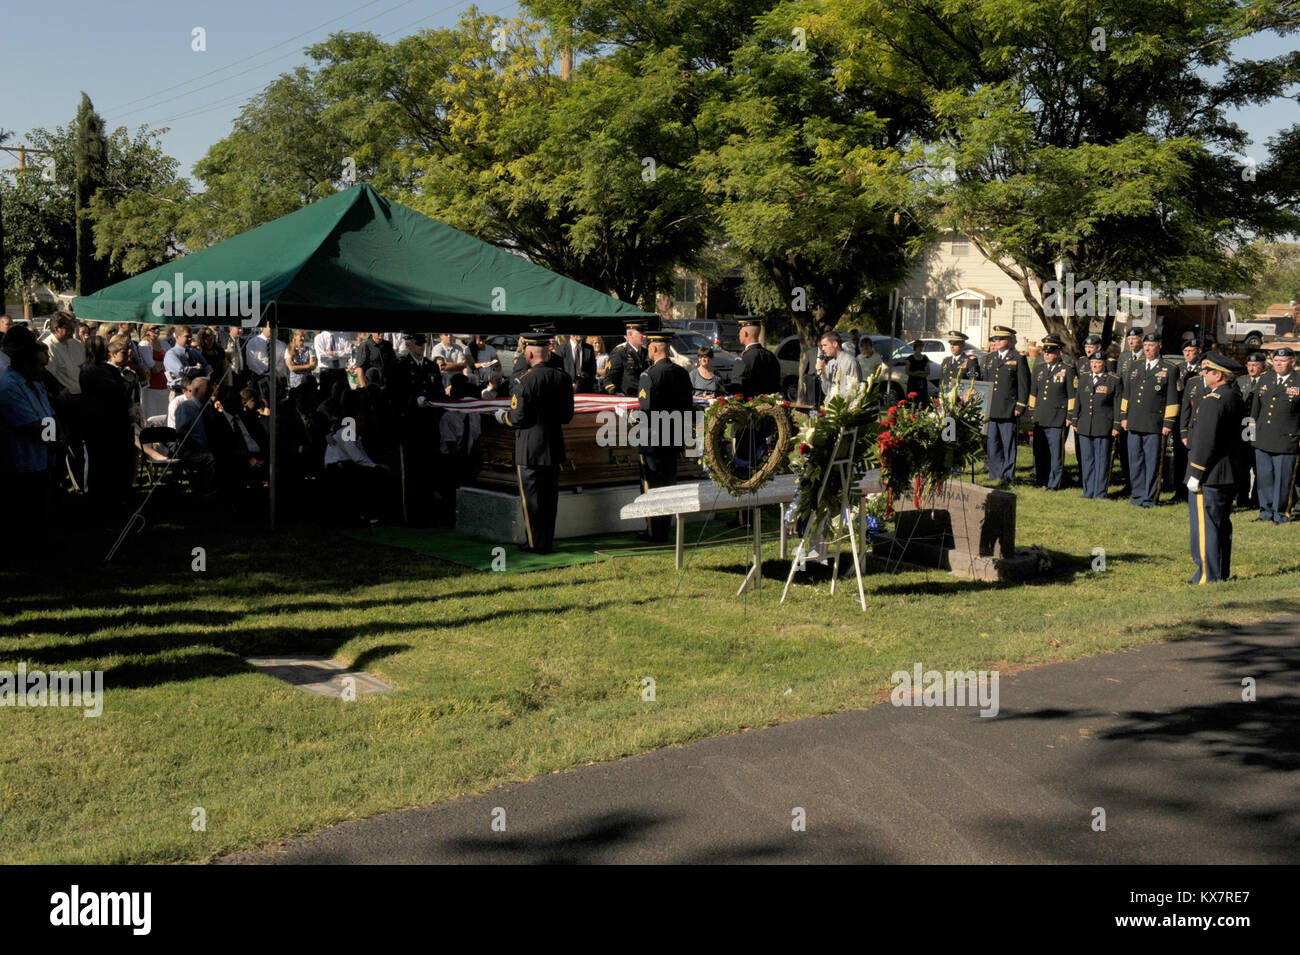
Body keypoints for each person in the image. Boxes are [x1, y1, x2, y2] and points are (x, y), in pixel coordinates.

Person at [493, 332, 575, 553]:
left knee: (532, 500)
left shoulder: (524, 380)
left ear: (529, 353)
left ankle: (534, 542)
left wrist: (502, 417)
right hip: (553, 446)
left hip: (529, 447)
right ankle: (546, 541)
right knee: (550, 498)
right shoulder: (563, 378)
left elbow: (518, 417)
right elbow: (567, 415)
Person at [1186, 353, 1245, 583]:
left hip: (1209, 474)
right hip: (1228, 472)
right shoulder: (1234, 397)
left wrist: (1196, 472)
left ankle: (1207, 575)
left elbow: (1204, 440)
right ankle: (1220, 573)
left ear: (1218, 375)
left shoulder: (1214, 399)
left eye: (1207, 371)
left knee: (1205, 528)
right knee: (1220, 525)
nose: (1203, 374)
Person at [637, 332, 695, 542]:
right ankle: (665, 529)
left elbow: (645, 411)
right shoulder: (681, 373)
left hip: (652, 440)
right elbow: (688, 407)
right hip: (673, 438)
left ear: (654, 349)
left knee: (652, 487)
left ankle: (654, 531)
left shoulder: (649, 375)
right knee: (668, 485)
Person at [0, 340, 59, 538]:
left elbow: (48, 415)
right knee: (26, 511)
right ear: (25, 364)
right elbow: (31, 424)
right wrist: (54, 440)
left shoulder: (34, 383)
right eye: (40, 364)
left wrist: (55, 435)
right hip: (23, 460)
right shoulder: (8, 387)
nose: (44, 369)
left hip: (42, 458)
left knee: (42, 507)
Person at [1120, 332, 1180, 508]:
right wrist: (1124, 416)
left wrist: (1168, 422)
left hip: (1155, 424)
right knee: (1135, 461)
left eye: (1151, 345)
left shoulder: (1169, 369)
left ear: (1159, 346)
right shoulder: (1136, 366)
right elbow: (1127, 394)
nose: (1147, 348)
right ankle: (1137, 495)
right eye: (1145, 345)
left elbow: (1172, 398)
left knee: (1153, 462)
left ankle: (1149, 497)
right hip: (1134, 421)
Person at [79, 335, 138, 505]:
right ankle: (100, 499)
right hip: (100, 424)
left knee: (119, 462)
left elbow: (124, 387)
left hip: (118, 421)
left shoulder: (109, 369)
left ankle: (119, 495)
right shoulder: (88, 370)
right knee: (101, 464)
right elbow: (114, 390)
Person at [1250, 346, 1300, 524]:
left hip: (1287, 439)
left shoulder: (1298, 381)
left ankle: (1281, 513)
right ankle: (1266, 512)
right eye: (1276, 361)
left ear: (1292, 362)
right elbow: (1255, 410)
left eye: (1283, 361)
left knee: (1283, 480)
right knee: (1264, 478)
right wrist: (1249, 435)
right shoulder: (1266, 378)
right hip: (1263, 437)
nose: (1278, 364)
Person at [982, 325, 1030, 487]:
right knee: (992, 443)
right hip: (992, 408)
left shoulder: (1018, 358)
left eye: (1001, 338)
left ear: (1009, 341)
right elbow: (986, 384)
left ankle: (1008, 474)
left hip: (1009, 408)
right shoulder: (989, 358)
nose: (997, 341)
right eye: (995, 338)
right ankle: (995, 473)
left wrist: (1020, 405)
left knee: (1008, 443)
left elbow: (1024, 384)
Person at [1070, 352, 1120, 499]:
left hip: (1103, 426)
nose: (1095, 365)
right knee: (1087, 460)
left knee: (1101, 461)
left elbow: (1117, 405)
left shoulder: (1113, 380)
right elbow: (1078, 399)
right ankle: (1088, 491)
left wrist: (1116, 425)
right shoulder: (1084, 378)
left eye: (1098, 362)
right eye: (1092, 363)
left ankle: (1099, 492)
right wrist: (1075, 419)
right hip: (1085, 425)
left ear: (1104, 363)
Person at [1028, 334, 1074, 490]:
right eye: (1045, 352)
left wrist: (1069, 416)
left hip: (1057, 418)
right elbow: (1033, 392)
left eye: (1050, 351)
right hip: (1040, 417)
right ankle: (1041, 480)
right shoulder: (1039, 369)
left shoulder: (1067, 369)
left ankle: (1054, 483)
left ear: (1059, 353)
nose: (1046, 354)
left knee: (1056, 454)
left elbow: (1071, 396)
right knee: (1040, 452)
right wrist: (1032, 412)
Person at [1172, 338, 1204, 502]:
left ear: (1199, 351)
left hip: (1197, 418)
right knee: (1179, 456)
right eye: (1185, 351)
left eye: (1191, 351)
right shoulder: (1178, 369)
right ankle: (1178, 490)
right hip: (1180, 418)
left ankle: (1193, 490)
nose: (1188, 354)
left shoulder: (1203, 369)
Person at [1115, 327, 1145, 496]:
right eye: (1129, 339)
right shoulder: (1124, 357)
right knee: (1125, 449)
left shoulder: (1147, 356)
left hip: (1140, 407)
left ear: (1141, 339)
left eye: (1134, 339)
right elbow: (1119, 382)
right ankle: (1128, 482)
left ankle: (1140, 484)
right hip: (1125, 407)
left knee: (1139, 449)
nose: (1131, 342)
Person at [1236, 351, 1268, 507]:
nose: (1252, 368)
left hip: (1260, 428)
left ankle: (1256, 499)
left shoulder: (1268, 381)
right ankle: (1242, 498)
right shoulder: (1241, 381)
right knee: (1242, 464)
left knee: (1258, 465)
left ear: (1263, 366)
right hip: (1243, 428)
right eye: (1249, 365)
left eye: (1255, 365)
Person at [164, 326, 210, 417]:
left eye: (190, 337)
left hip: (196, 394)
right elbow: (181, 371)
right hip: (179, 392)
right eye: (186, 337)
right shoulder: (171, 354)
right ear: (177, 337)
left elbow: (206, 367)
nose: (189, 339)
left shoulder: (193, 352)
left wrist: (199, 369)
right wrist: (197, 368)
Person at [732, 320, 781, 397]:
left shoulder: (744, 358)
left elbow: (737, 388)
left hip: (749, 405)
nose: (738, 334)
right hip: (769, 405)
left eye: (740, 332)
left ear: (745, 334)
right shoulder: (770, 356)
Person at [41, 311, 85, 396]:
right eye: (69, 328)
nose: (73, 331)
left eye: (73, 327)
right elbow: (49, 379)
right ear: (57, 329)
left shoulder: (77, 344)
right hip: (66, 399)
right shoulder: (47, 348)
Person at [135, 324, 170, 422]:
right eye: (153, 328)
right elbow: (152, 366)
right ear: (146, 331)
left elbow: (169, 361)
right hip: (151, 388)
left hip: (165, 386)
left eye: (158, 328)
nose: (156, 330)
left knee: (164, 417)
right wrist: (163, 364)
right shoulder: (144, 345)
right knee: (152, 418)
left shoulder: (163, 343)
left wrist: (160, 365)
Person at [603, 323, 648, 396]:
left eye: (645, 333)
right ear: (630, 334)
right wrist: (616, 393)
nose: (645, 336)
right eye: (641, 333)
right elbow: (608, 380)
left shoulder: (646, 353)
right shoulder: (620, 353)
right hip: (627, 398)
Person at [816, 331, 861, 403]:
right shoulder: (830, 363)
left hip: (846, 407)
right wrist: (822, 373)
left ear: (835, 344)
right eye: (822, 346)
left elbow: (856, 388)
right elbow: (826, 390)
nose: (823, 349)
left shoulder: (850, 361)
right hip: (833, 406)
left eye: (825, 345)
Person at [246, 326, 289, 399]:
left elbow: (283, 361)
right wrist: (263, 373)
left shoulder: (282, 345)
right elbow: (251, 361)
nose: (275, 329)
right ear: (263, 328)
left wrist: (274, 372)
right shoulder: (253, 342)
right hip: (259, 377)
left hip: (276, 378)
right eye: (271, 326)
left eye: (276, 327)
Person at [286, 329, 318, 399]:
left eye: (304, 336)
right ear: (295, 336)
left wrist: (298, 367)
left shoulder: (309, 349)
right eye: (301, 336)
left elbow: (313, 366)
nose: (303, 338)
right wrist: (307, 366)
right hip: (295, 383)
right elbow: (291, 368)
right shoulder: (289, 350)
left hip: (307, 383)